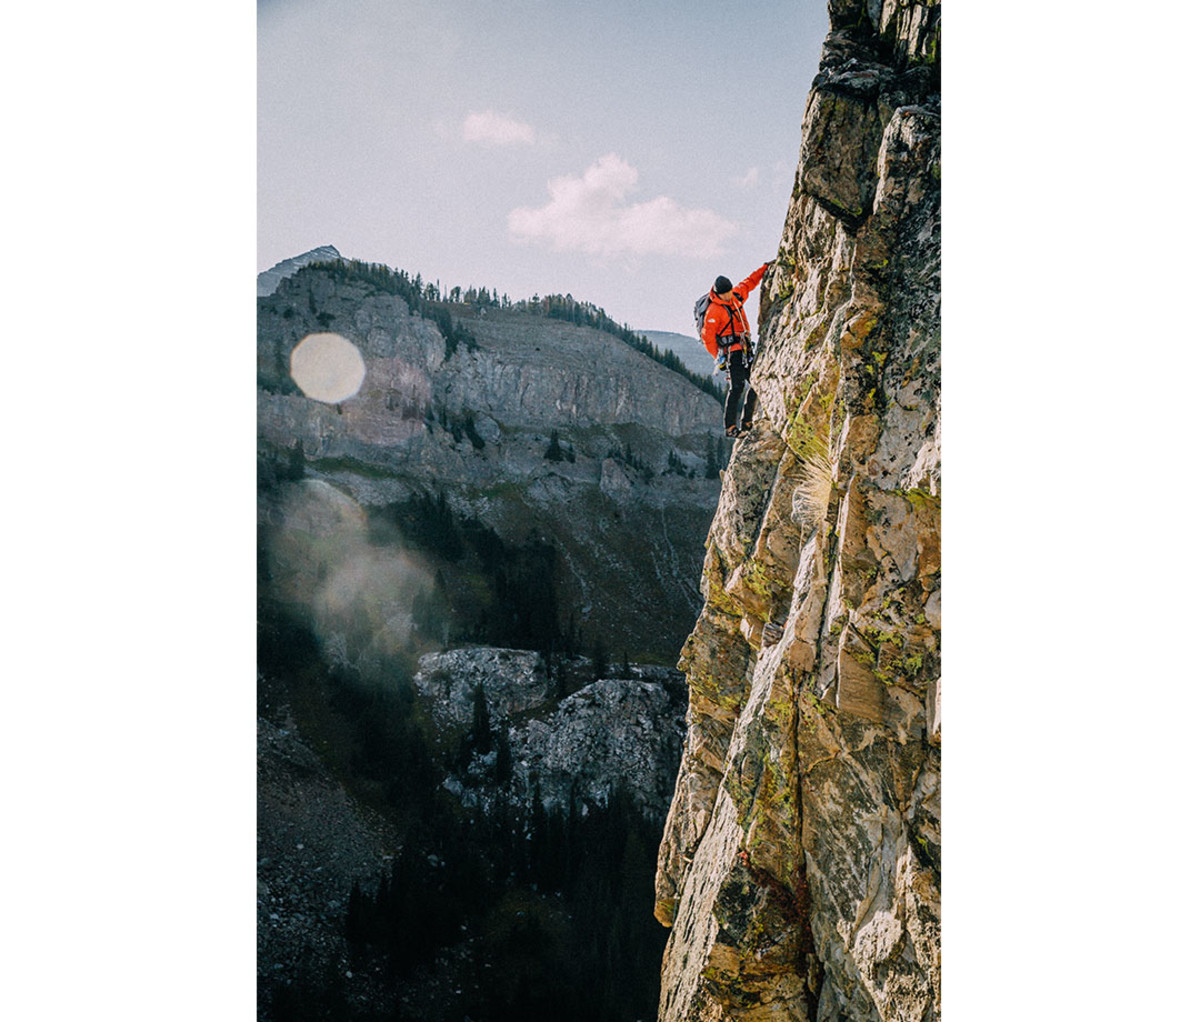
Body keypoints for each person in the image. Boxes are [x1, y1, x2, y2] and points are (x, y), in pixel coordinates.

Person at [700, 263, 769, 438]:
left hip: (745, 348)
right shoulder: (713, 311)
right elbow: (708, 338)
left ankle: (747, 421)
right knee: (737, 387)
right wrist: (719, 358)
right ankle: (730, 427)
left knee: (756, 382)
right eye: (725, 293)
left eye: (729, 292)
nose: (728, 295)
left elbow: (749, 282)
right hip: (732, 352)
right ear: (718, 294)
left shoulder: (736, 296)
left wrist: (765, 268)